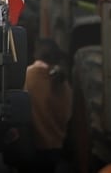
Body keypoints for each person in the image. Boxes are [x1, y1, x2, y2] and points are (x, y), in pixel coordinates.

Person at [22, 38, 73, 173]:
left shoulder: (26, 77)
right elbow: (68, 115)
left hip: (32, 149)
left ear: (35, 54)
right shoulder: (62, 82)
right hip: (55, 150)